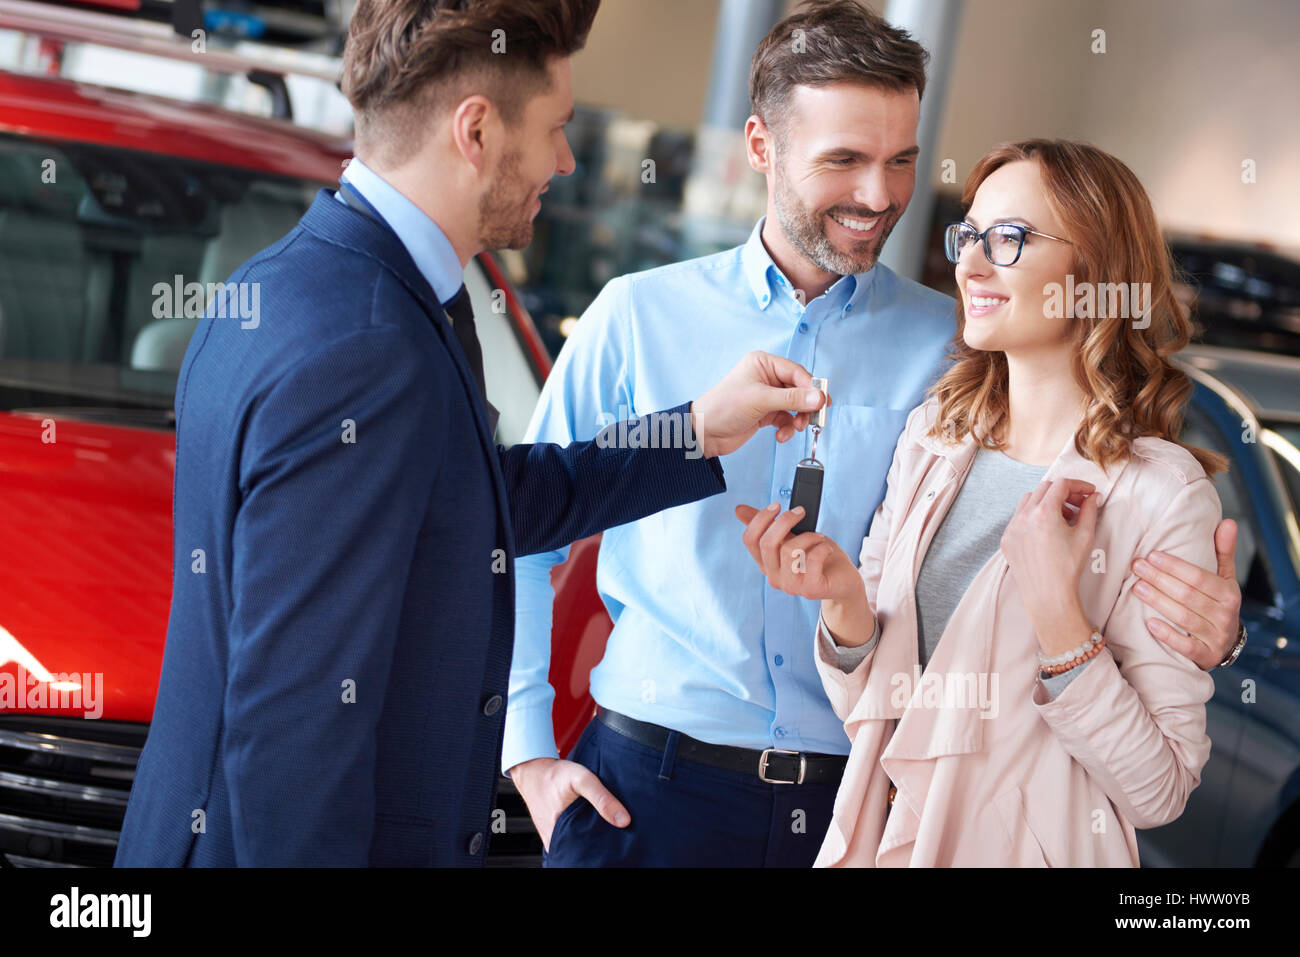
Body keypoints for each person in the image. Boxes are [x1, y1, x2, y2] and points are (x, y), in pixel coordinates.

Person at [506, 0, 1245, 868]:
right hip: (646, 788)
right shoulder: (635, 318)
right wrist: (525, 752)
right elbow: (522, 531)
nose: (879, 195)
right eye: (844, 160)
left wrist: (1203, 629)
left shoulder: (961, 354)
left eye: (901, 161)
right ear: (760, 148)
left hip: (856, 804)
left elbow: (1088, 509)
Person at [113, 0, 828, 868]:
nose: (565, 161)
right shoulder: (371, 349)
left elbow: (475, 509)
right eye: (557, 129)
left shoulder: (295, 282)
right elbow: (297, 729)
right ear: (477, 131)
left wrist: (697, 433)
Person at [737, 138, 1226, 866]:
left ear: (1092, 271)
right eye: (969, 235)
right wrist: (843, 602)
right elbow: (873, 710)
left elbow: (1157, 790)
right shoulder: (938, 434)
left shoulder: (1160, 491)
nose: (969, 262)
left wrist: (1063, 622)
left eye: (1008, 239)